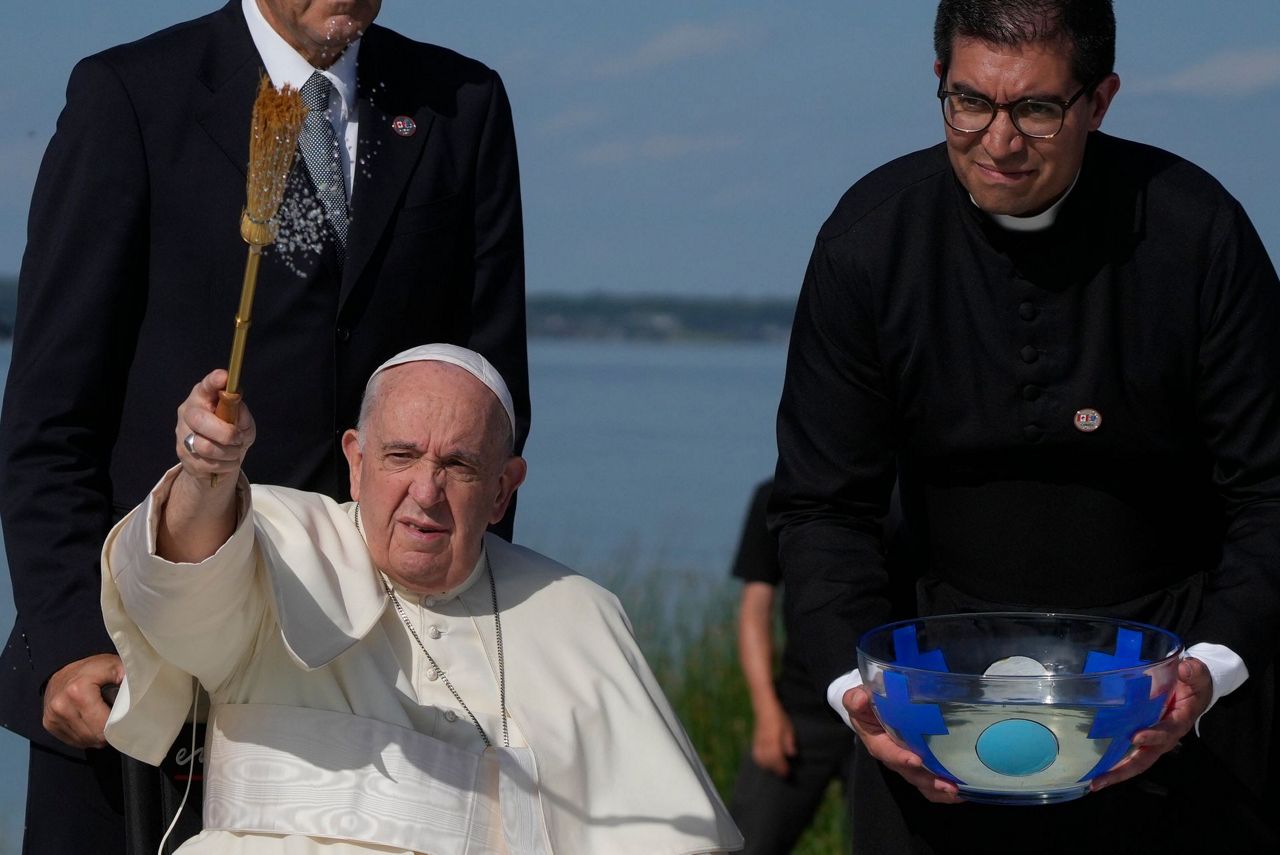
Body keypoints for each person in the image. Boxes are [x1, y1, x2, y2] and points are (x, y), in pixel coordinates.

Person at [0, 1, 528, 852]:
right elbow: (48, 416)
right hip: (135, 688)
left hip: (370, 694)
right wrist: (70, 639)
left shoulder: (461, 104)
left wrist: (461, 649)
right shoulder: (129, 96)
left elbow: (491, 414)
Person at [770, 1, 1280, 851]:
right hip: (933, 707)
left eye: (1037, 109)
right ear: (940, 82)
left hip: (1176, 703)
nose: (998, 142)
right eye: (969, 102)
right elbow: (823, 507)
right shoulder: (870, 241)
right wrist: (855, 692)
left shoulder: (1198, 234)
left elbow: (1271, 489)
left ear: (1101, 100)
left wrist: (1210, 667)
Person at [99, 343, 741, 854]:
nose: (425, 492)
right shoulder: (273, 543)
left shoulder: (578, 610)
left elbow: (669, 836)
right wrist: (205, 478)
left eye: (458, 466)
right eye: (400, 456)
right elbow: (177, 590)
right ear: (355, 460)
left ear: (502, 490)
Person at [728, 480, 853, 854]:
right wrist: (767, 711)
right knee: (746, 842)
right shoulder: (779, 493)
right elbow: (756, 607)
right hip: (798, 711)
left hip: (888, 711)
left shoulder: (906, 490)